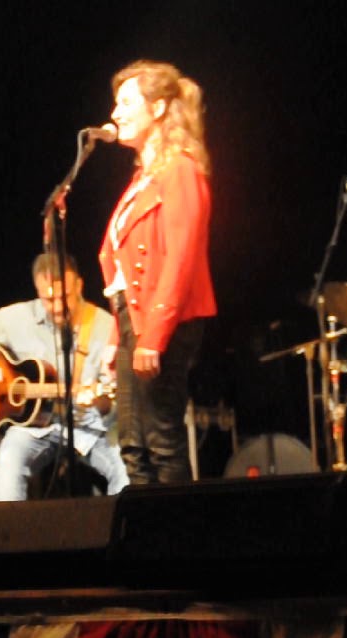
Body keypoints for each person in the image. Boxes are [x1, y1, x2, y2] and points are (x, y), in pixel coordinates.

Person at [99, 59, 217, 485]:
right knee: (133, 444)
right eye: (116, 103)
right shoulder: (143, 180)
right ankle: (149, 542)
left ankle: (181, 543)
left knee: (162, 440)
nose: (115, 113)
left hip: (163, 320)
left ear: (160, 108)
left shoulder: (180, 170)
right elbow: (122, 271)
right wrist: (118, 334)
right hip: (135, 320)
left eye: (126, 102)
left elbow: (180, 259)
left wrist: (153, 335)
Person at [0, 253, 129, 501]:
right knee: (7, 463)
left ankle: (118, 535)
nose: (57, 307)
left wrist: (101, 403)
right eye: (48, 300)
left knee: (127, 470)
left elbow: (115, 399)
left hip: (91, 425)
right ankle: (10, 539)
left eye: (65, 297)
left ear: (79, 285)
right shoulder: (19, 317)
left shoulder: (106, 327)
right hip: (35, 427)